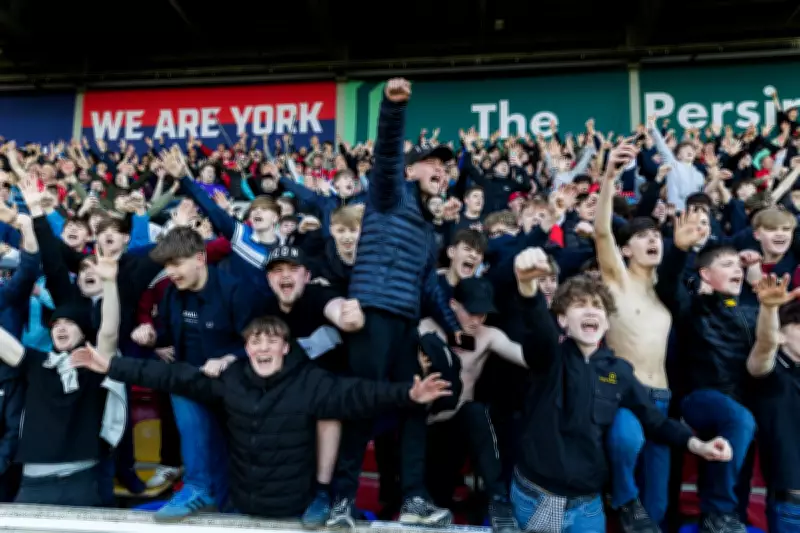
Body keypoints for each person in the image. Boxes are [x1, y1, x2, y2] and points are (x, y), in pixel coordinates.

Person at [68, 315, 452, 520]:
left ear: (285, 348)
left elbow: (360, 394)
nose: (263, 346)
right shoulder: (232, 378)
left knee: (338, 410)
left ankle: (325, 495)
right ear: (247, 349)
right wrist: (111, 366)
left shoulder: (310, 381)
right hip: (242, 505)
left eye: (271, 341)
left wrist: (409, 393)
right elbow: (171, 374)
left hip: (295, 509)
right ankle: (200, 490)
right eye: (255, 341)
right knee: (184, 390)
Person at [510, 247, 733, 533]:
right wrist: (528, 290)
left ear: (606, 321)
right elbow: (539, 329)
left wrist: (699, 445)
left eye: (598, 306)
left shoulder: (619, 371)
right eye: (580, 305)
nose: (591, 310)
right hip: (536, 498)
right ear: (563, 320)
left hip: (587, 508)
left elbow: (655, 421)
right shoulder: (550, 356)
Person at [329, 77, 463, 528]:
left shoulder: (429, 229)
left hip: (406, 323)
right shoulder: (389, 193)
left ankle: (413, 499)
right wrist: (392, 108)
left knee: (414, 404)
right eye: (432, 164)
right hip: (372, 316)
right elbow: (387, 151)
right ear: (409, 171)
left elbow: (429, 284)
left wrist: (451, 325)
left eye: (446, 169)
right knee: (362, 405)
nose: (442, 171)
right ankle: (342, 502)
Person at [134, 226, 263, 521]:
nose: (170, 272)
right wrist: (151, 336)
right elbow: (166, 334)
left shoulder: (236, 290)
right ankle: (197, 486)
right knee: (182, 391)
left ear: (200, 258)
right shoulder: (171, 296)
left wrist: (228, 358)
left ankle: (223, 503)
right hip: (192, 381)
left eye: (176, 264)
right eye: (166, 266)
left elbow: (258, 343)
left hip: (233, 387)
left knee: (228, 468)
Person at [656, 218, 759, 533]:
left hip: (742, 402)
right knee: (741, 420)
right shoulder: (694, 306)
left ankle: (726, 519)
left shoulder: (751, 310)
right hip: (699, 398)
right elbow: (668, 283)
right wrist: (680, 248)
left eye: (738, 263)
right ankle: (717, 511)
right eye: (727, 264)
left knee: (742, 432)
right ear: (705, 274)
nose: (736, 268)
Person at [0, 245, 124, 506]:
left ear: (84, 331)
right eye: (56, 325)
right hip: (33, 484)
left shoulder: (95, 363)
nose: (60, 329)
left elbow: (109, 332)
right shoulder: (36, 361)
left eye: (69, 324)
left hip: (81, 481)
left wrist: (110, 283)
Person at [594, 143, 675, 532]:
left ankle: (632, 505)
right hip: (625, 390)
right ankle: (622, 495)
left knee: (655, 508)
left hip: (662, 399)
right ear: (626, 249)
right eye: (642, 237)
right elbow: (600, 231)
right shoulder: (618, 281)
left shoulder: (667, 292)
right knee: (625, 440)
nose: (652, 240)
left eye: (656, 234)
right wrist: (609, 176)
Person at [419, 277, 524, 533]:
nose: (477, 321)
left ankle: (498, 500)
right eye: (471, 313)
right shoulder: (426, 328)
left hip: (462, 428)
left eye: (483, 314)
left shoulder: (488, 336)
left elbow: (528, 358)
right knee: (437, 502)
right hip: (424, 429)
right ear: (453, 304)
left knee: (477, 411)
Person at [743, 275, 800, 533]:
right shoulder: (772, 373)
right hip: (792, 505)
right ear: (781, 335)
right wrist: (769, 309)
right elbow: (763, 349)